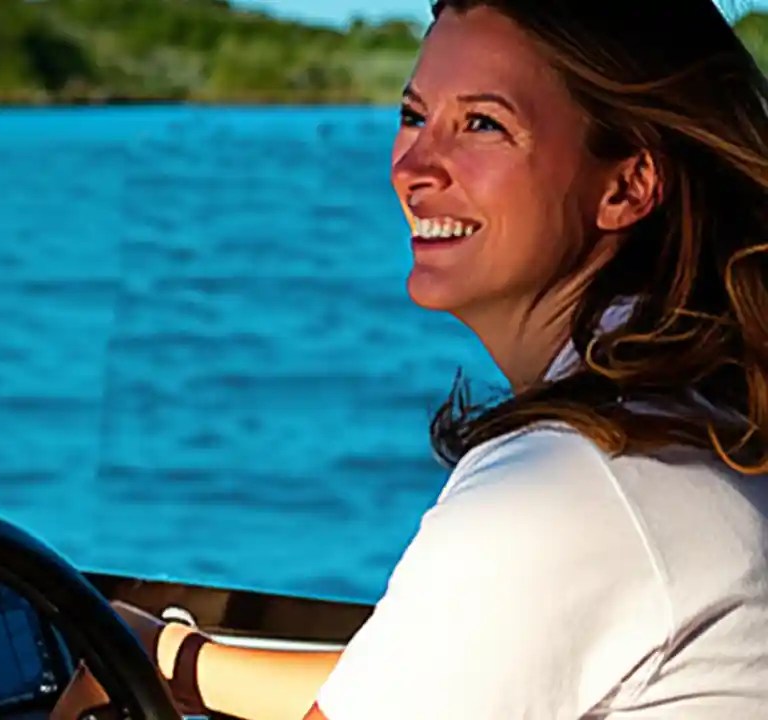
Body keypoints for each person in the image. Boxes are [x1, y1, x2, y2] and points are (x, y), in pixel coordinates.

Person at [105, 1, 768, 718]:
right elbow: (432, 674)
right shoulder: (704, 412)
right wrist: (165, 659)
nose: (413, 166)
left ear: (626, 186)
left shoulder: (570, 484)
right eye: (415, 116)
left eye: (483, 124)